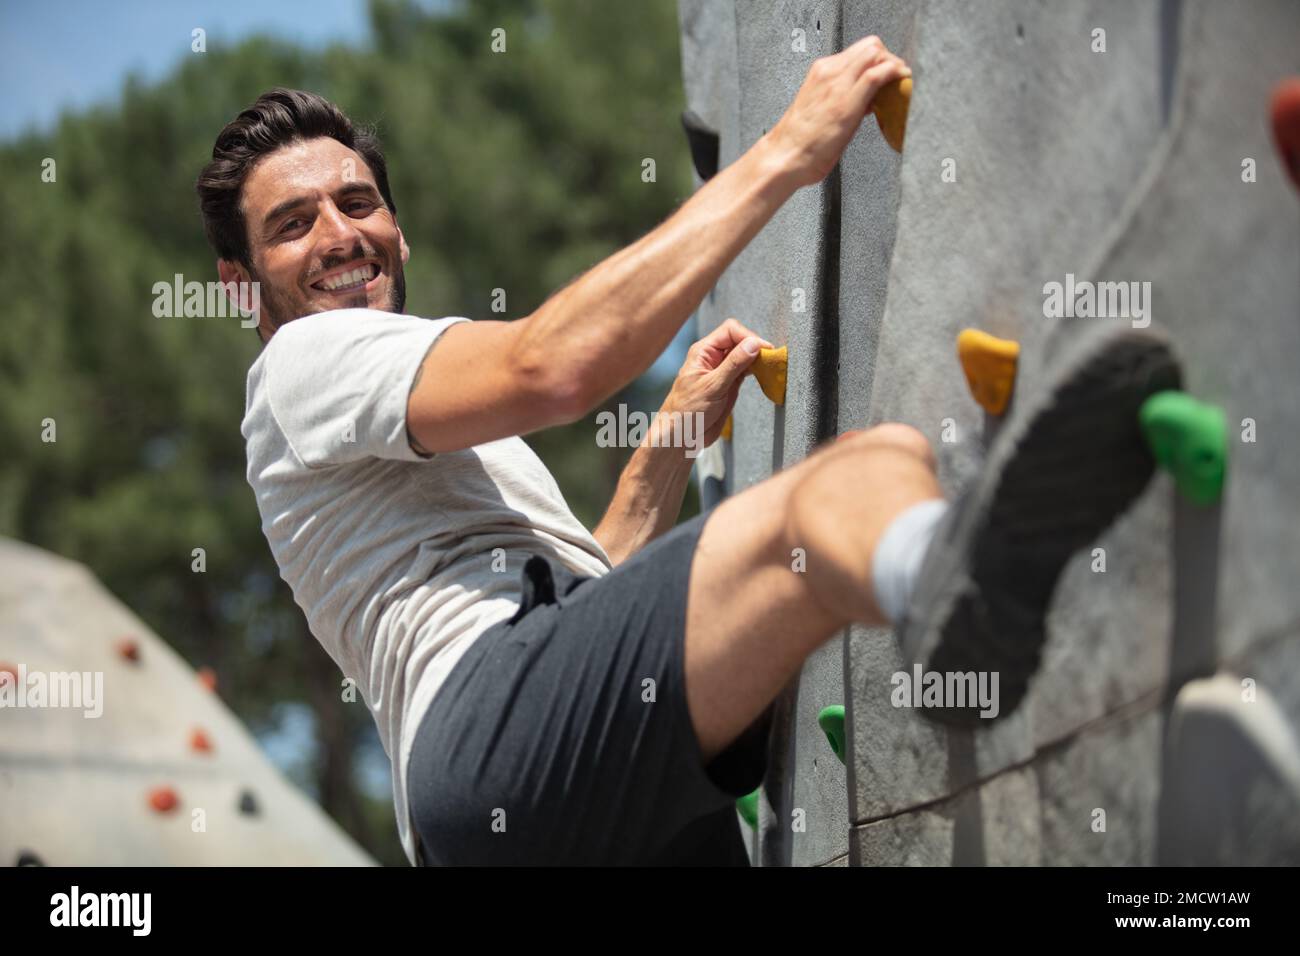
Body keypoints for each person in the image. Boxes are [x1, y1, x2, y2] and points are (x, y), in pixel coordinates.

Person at [197, 36, 1177, 865]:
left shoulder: (390, 425)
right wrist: (787, 151)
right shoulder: (303, 362)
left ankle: (949, 574)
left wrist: (666, 443)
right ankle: (954, 586)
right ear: (242, 287)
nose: (338, 232)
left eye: (357, 202)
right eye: (292, 224)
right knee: (851, 478)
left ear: (398, 229)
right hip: (487, 733)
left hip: (529, 800)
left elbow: (590, 589)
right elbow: (552, 366)